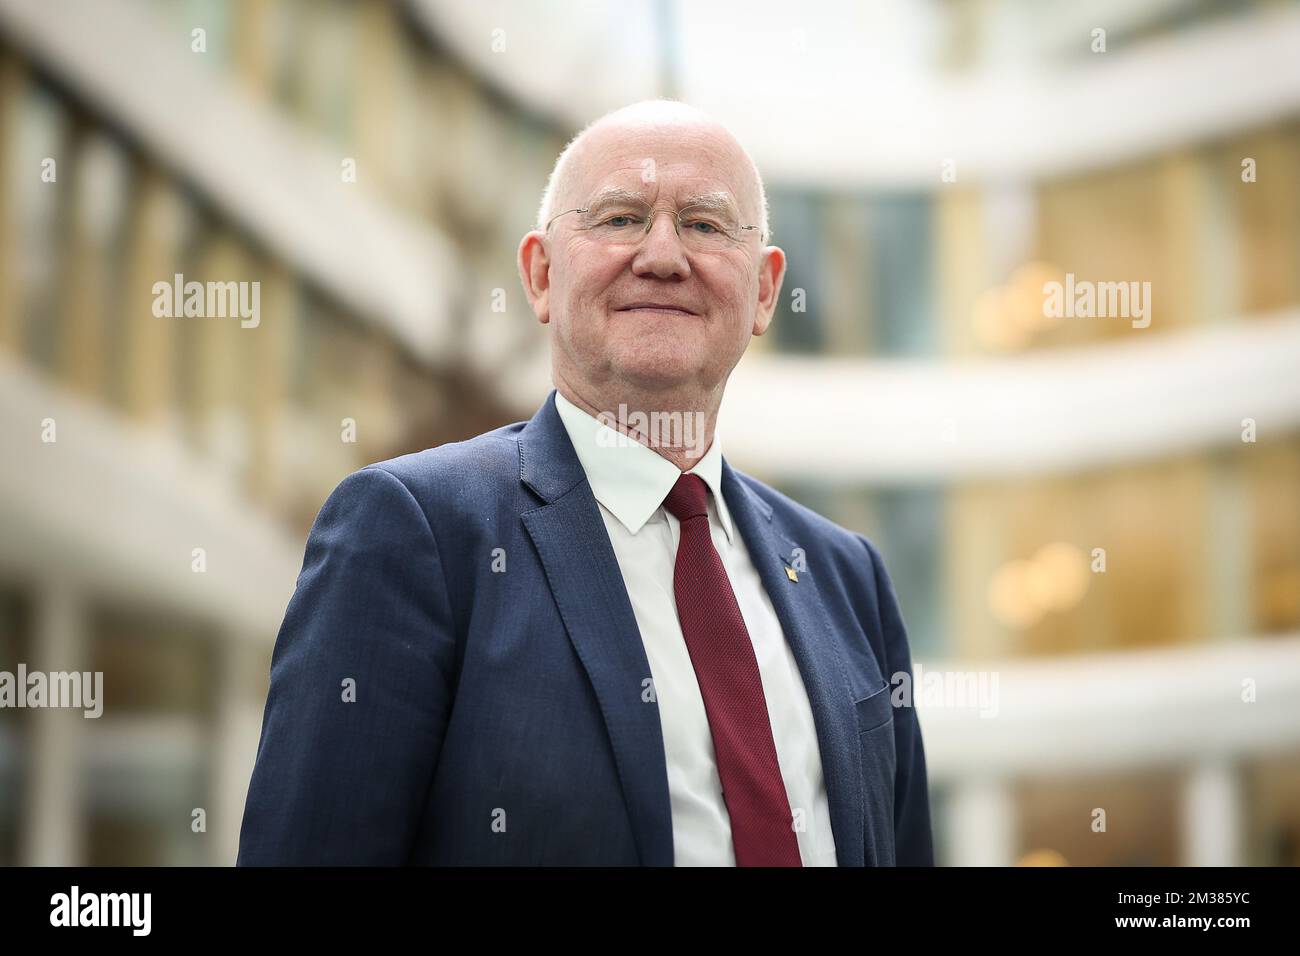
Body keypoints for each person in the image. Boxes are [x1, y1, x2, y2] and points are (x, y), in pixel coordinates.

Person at [237, 99, 933, 866]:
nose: (664, 255)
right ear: (540, 274)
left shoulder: (849, 579)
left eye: (704, 224)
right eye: (620, 219)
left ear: (766, 291)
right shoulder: (413, 535)